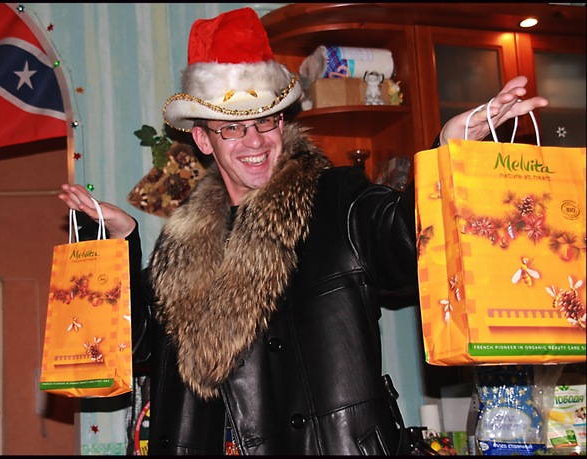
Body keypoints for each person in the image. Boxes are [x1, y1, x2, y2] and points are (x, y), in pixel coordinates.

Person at [58, 7, 548, 456]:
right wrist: (121, 243)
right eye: (232, 128)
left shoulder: (336, 198)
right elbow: (137, 345)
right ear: (204, 140)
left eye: (265, 121)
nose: (254, 141)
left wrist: (446, 151)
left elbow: (407, 237)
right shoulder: (183, 239)